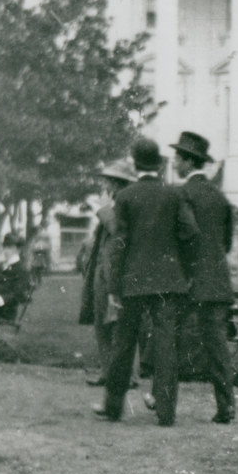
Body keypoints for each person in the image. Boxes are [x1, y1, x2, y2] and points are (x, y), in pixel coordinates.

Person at [95, 136, 199, 427]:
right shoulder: (174, 195)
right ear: (159, 162)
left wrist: (115, 286)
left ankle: (113, 407)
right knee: (166, 345)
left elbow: (120, 243)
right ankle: (166, 412)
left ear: (135, 162)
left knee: (123, 343)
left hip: (132, 283)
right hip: (169, 282)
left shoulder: (126, 197)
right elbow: (190, 233)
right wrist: (185, 271)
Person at [172, 131, 237, 424]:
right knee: (218, 347)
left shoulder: (182, 194)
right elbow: (226, 244)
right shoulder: (220, 197)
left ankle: (160, 398)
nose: (174, 162)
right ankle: (226, 407)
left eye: (177, 157)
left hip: (187, 280)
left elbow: (181, 240)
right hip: (218, 281)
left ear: (188, 161)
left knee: (169, 339)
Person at [77, 158, 135, 385]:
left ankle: (126, 375)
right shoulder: (114, 201)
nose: (105, 186)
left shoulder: (124, 203)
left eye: (108, 182)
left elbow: (117, 230)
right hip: (102, 270)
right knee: (101, 322)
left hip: (115, 271)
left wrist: (102, 209)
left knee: (118, 324)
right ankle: (108, 371)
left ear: (117, 182)